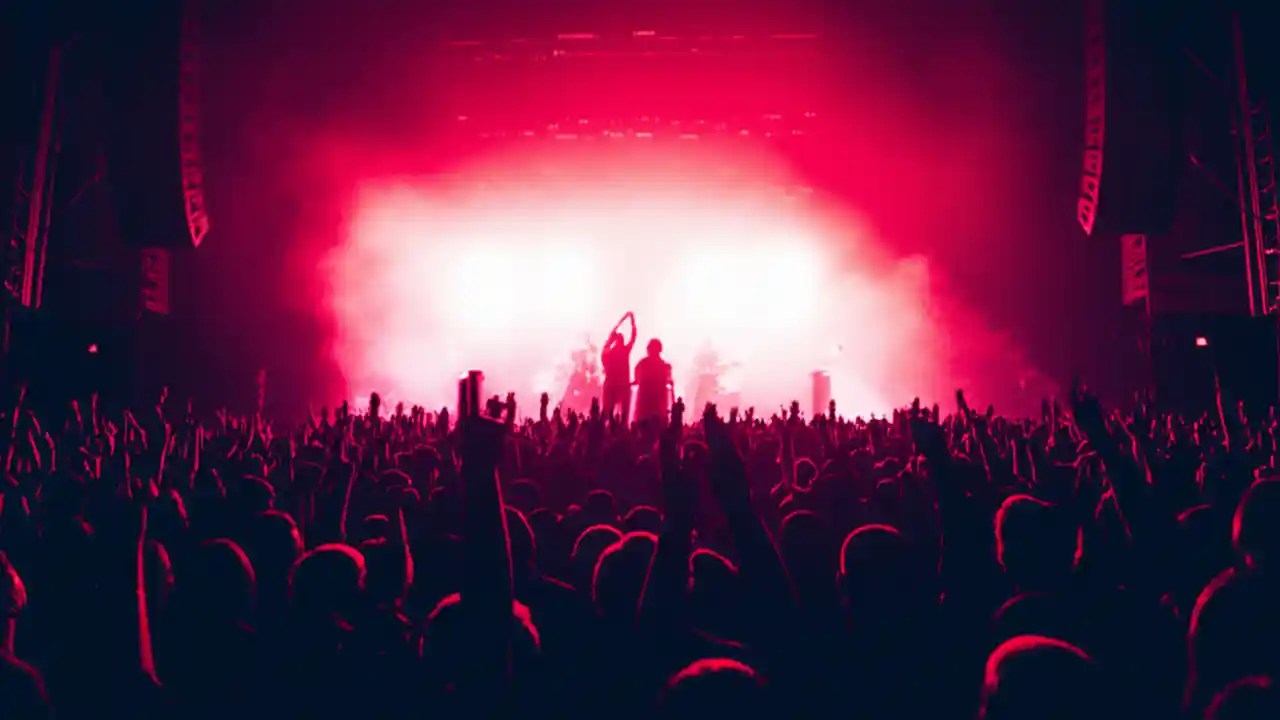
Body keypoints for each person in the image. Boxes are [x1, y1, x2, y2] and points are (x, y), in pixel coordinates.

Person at [601, 313, 637, 425]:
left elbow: (633, 337)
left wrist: (617, 328)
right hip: (619, 385)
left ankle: (612, 426)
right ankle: (619, 426)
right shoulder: (623, 351)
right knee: (618, 413)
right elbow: (633, 337)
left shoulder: (610, 352)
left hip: (615, 385)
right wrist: (631, 321)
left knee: (610, 412)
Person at [632, 338, 673, 425]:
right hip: (648, 399)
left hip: (654, 400)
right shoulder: (645, 363)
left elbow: (668, 381)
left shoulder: (660, 365)